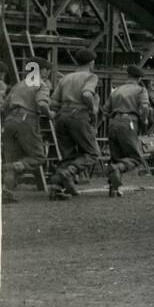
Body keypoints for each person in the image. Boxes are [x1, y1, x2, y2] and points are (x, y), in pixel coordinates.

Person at [48, 48, 102, 199]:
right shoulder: (91, 77)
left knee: (68, 155)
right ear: (91, 62)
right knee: (92, 153)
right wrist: (94, 108)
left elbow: (53, 102)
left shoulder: (65, 78)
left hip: (61, 117)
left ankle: (56, 188)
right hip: (78, 116)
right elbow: (86, 94)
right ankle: (69, 173)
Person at [1, 59, 53, 202]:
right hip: (27, 119)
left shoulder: (19, 84)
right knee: (38, 156)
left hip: (9, 120)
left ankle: (7, 192)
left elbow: (5, 105)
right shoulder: (41, 84)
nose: (48, 74)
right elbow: (42, 103)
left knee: (11, 157)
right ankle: (13, 167)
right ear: (41, 70)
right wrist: (50, 114)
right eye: (48, 71)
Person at [105, 64, 154, 197]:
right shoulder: (140, 90)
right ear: (139, 78)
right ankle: (117, 169)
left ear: (127, 76)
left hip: (113, 122)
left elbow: (105, 109)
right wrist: (144, 121)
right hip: (129, 122)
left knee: (115, 156)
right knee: (135, 158)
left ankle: (114, 189)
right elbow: (145, 107)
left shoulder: (116, 90)